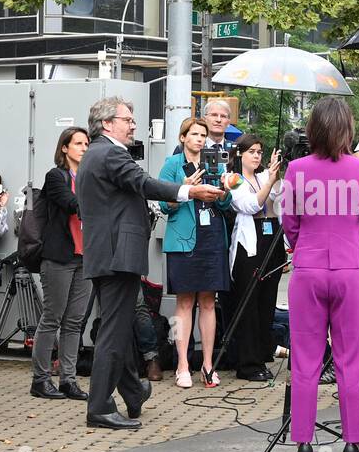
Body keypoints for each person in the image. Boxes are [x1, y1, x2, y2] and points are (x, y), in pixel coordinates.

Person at [78, 98, 223, 429]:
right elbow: (145, 184)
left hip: (107, 254)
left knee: (120, 325)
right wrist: (189, 192)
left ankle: (132, 392)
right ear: (106, 124)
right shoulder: (111, 153)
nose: (133, 125)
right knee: (113, 334)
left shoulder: (95, 153)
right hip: (117, 256)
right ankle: (99, 407)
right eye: (127, 119)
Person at [281, 96, 359, 452]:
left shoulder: (295, 168)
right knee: (350, 361)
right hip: (350, 267)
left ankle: (304, 443)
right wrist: (356, 248)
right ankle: (353, 443)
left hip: (307, 268)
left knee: (305, 360)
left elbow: (289, 222)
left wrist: (302, 246)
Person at [159, 117, 234, 388]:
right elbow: (163, 205)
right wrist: (187, 190)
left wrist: (225, 190)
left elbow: (226, 204)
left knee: (208, 301)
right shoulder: (172, 164)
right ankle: (182, 364)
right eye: (194, 134)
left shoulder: (217, 162)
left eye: (203, 135)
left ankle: (208, 365)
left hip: (212, 237)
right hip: (183, 240)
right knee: (183, 303)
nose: (200, 139)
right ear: (183, 138)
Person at [30, 127, 92, 400]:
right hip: (59, 256)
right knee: (52, 318)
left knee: (75, 322)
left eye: (87, 143)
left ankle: (68, 379)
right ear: (65, 148)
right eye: (78, 143)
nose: (84, 147)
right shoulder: (56, 176)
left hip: (86, 256)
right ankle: (40, 380)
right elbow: (70, 203)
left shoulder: (90, 178)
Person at [227, 133, 284, 382]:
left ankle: (262, 354)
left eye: (260, 152)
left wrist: (275, 177)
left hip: (271, 239)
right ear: (240, 153)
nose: (257, 156)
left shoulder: (264, 175)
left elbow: (277, 200)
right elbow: (249, 205)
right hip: (249, 246)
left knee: (267, 302)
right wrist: (269, 182)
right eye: (251, 151)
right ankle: (248, 364)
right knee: (248, 304)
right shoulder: (232, 179)